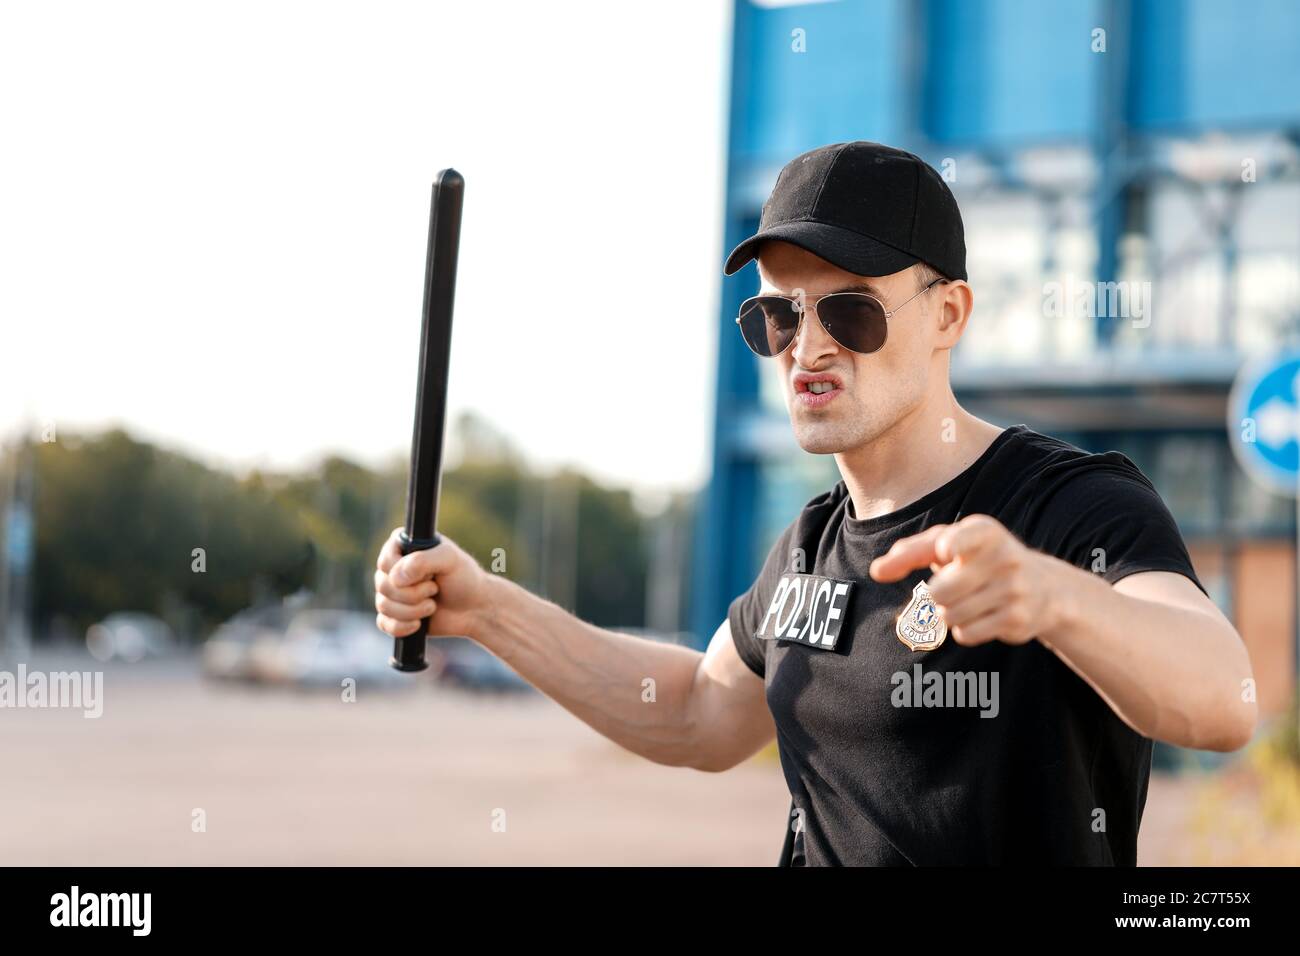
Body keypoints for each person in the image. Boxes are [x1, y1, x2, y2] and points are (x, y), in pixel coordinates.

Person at [373, 141, 1256, 865]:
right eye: (778, 319)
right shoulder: (808, 544)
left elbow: (1223, 700)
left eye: (850, 312)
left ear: (948, 313)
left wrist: (1055, 598)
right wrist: (487, 608)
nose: (809, 348)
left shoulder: (1068, 505)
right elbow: (695, 713)